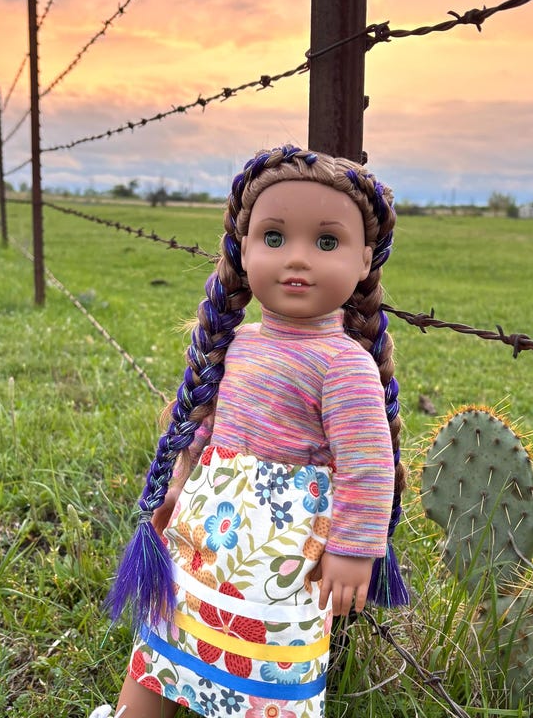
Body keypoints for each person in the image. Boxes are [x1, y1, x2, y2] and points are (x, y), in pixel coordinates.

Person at [105, 145, 408, 718]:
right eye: (274, 238)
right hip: (205, 528)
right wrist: (175, 487)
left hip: (282, 547)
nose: (298, 259)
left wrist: (354, 550)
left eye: (326, 242)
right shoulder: (235, 343)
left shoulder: (343, 364)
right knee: (168, 634)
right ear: (242, 250)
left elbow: (368, 466)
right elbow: (201, 428)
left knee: (268, 660)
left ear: (366, 259)